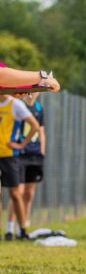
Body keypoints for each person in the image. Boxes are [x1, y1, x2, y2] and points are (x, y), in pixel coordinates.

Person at [0, 93, 39, 240]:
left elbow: (34, 125)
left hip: (9, 155)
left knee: (15, 194)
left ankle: (23, 230)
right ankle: (6, 231)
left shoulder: (15, 105)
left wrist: (21, 144)